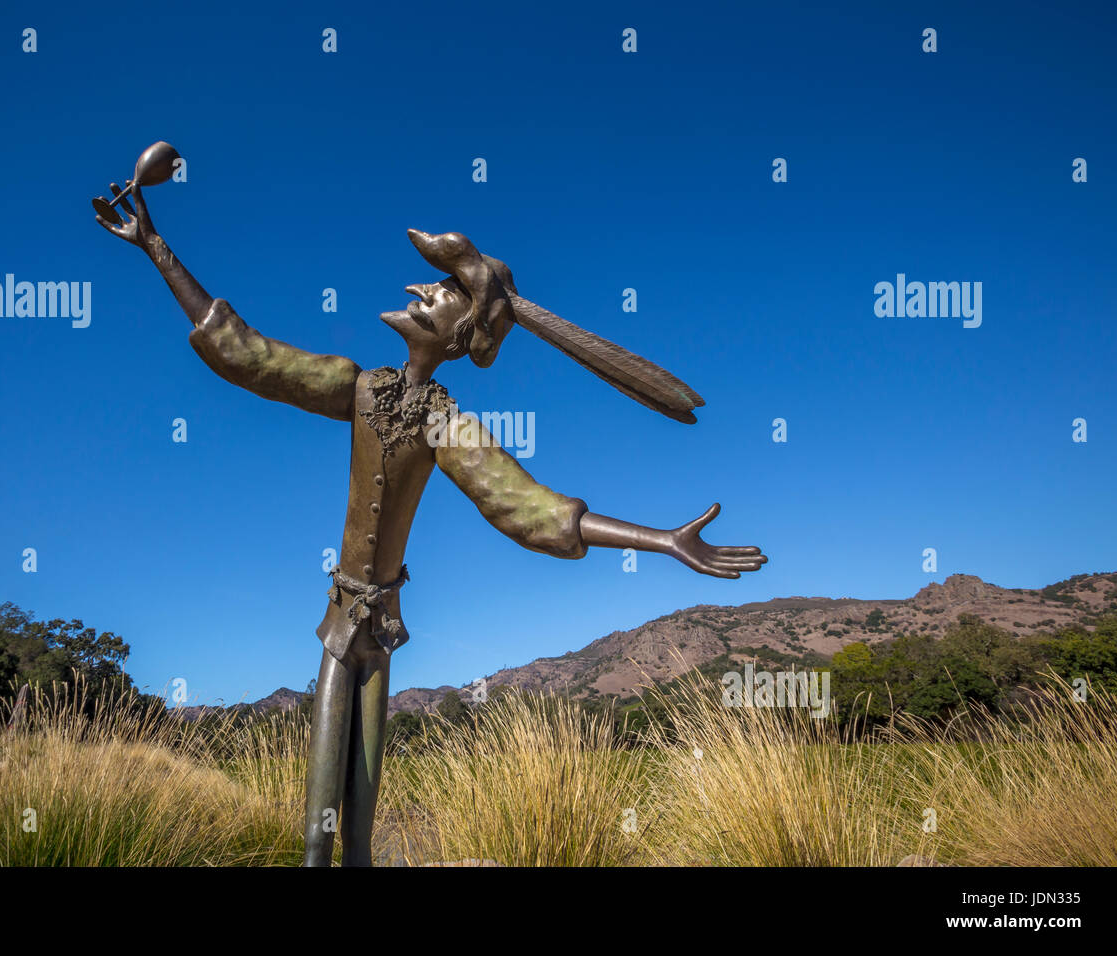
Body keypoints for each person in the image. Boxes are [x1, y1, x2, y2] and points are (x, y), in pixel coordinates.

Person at [95, 181, 767, 866]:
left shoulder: (448, 426)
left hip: (382, 627)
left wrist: (660, 540)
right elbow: (248, 355)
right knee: (315, 831)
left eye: (444, 293)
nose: (424, 289)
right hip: (339, 618)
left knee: (359, 831)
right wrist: (157, 248)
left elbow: (527, 509)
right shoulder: (357, 389)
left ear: (459, 336)